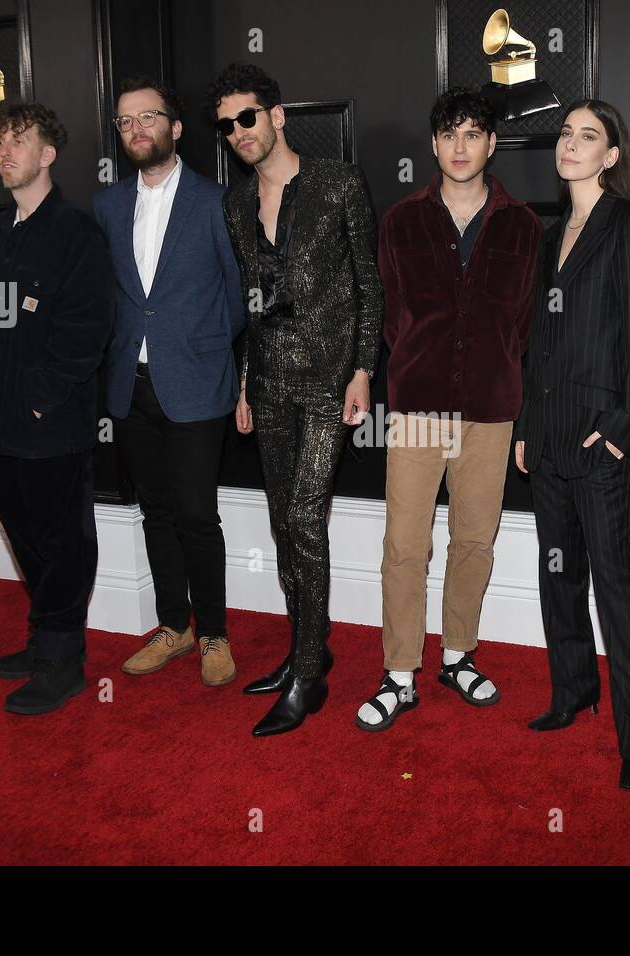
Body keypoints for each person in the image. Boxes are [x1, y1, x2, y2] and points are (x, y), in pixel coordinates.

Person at [355, 86, 542, 731]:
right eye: (448, 135)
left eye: (472, 134)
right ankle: (399, 670)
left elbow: (523, 324)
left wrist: (500, 378)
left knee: (474, 540)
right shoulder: (401, 221)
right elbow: (388, 314)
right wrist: (415, 361)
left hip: (492, 408)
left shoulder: (521, 225)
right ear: (434, 145)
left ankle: (458, 654)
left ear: (492, 144)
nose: (460, 147)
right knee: (405, 543)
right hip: (418, 406)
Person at [210, 63, 384, 736]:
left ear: (276, 115)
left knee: (307, 518)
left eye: (247, 117)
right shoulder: (234, 202)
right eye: (226, 126)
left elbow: (369, 286)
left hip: (328, 379)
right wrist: (247, 380)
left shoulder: (338, 182)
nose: (238, 133)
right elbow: (253, 302)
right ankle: (302, 649)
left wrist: (364, 370)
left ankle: (309, 674)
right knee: (284, 522)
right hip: (271, 383)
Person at [514, 99, 630, 791]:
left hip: (600, 441)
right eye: (566, 134)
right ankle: (573, 690)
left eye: (589, 136)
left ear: (610, 155)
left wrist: (623, 434)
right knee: (558, 574)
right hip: (546, 440)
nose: (571, 145)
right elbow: (534, 344)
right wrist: (524, 426)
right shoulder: (548, 237)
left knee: (616, 586)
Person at [0, 102, 114, 715]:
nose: (4, 152)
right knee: (20, 526)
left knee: (63, 541)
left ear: (47, 155)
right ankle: (43, 636)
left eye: (17, 142)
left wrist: (43, 400)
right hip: (0, 422)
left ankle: (62, 661)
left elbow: (87, 331)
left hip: (51, 424)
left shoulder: (76, 234)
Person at [93, 76, 245, 688]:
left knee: (195, 514)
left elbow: (237, 299)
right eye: (125, 122)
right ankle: (172, 626)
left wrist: (202, 348)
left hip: (196, 381)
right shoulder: (105, 205)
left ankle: (212, 633)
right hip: (131, 384)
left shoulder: (215, 201)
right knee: (154, 511)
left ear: (176, 128)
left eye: (148, 117)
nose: (136, 130)